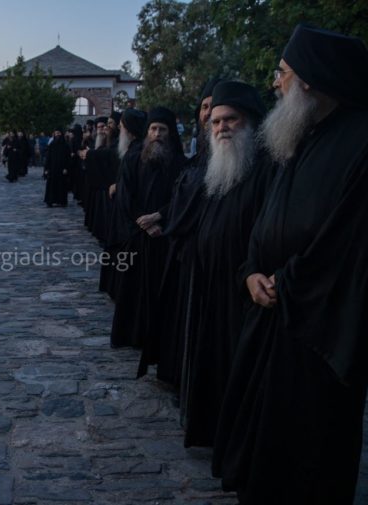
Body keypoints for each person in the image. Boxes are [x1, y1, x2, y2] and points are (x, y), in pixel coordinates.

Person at [212, 25, 368, 504]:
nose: (274, 83)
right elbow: (268, 223)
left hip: (313, 334)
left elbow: (348, 246)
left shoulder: (361, 143)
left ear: (310, 80)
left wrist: (285, 282)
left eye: (282, 73)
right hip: (268, 316)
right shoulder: (300, 138)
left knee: (304, 466)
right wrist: (251, 272)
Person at [182, 80, 272, 448]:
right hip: (212, 289)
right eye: (216, 122)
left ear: (250, 121)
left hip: (245, 296)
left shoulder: (267, 168)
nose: (221, 128)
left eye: (230, 120)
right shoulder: (219, 169)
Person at [154, 78, 223, 391]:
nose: (209, 116)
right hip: (185, 257)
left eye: (218, 110)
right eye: (205, 108)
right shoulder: (200, 158)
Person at [112, 107, 184, 351]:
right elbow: (125, 195)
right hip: (136, 234)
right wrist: (141, 221)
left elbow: (182, 197)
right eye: (153, 129)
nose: (156, 134)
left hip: (164, 235)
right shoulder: (133, 159)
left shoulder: (179, 163)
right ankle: (131, 335)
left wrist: (159, 217)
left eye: (161, 129)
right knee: (132, 290)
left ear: (169, 133)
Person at [98, 109, 147, 300]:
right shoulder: (134, 150)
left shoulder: (136, 152)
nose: (119, 128)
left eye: (122, 126)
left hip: (128, 217)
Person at [43, 128, 71, 207]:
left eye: (58, 133)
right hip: (52, 169)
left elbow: (68, 158)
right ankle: (50, 201)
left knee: (61, 185)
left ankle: (61, 201)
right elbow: (48, 157)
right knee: (51, 185)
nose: (57, 135)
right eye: (56, 133)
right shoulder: (52, 144)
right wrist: (46, 169)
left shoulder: (65, 145)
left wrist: (66, 168)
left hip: (61, 169)